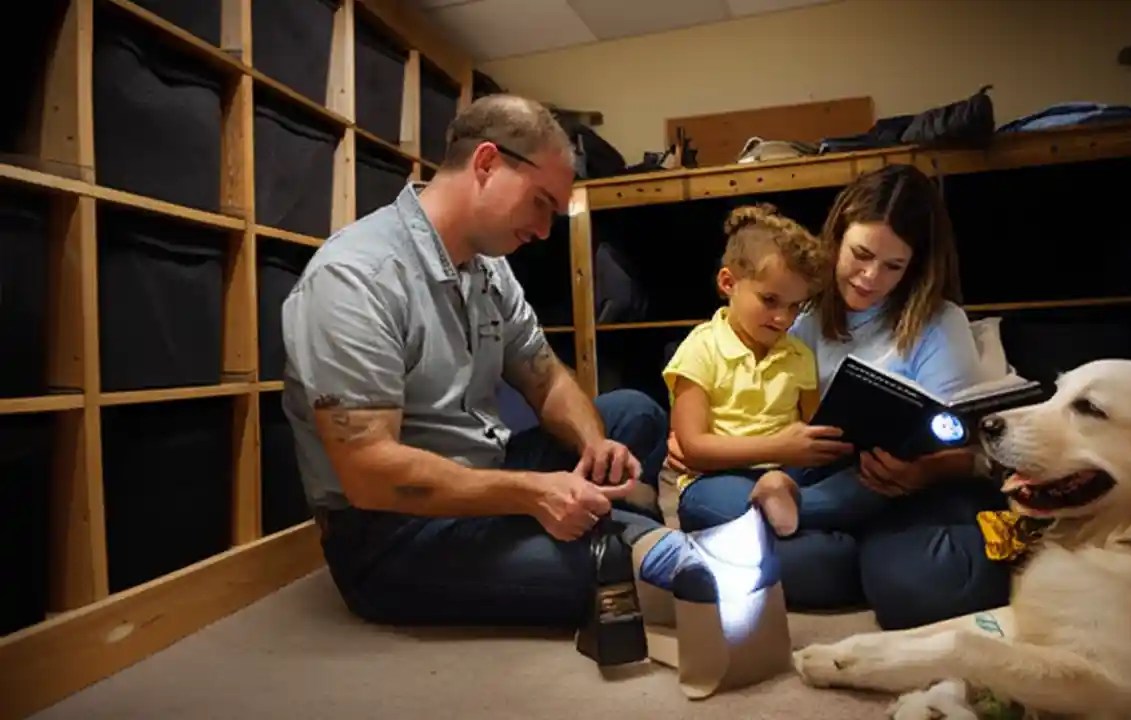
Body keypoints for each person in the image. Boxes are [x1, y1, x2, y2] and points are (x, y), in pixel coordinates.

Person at [279, 93, 712, 628]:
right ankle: (627, 536)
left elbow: (546, 376)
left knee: (631, 413)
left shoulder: (489, 270)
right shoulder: (355, 276)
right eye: (540, 203)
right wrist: (532, 494)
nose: (545, 230)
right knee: (629, 570)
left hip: (486, 472)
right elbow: (370, 474)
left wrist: (592, 443)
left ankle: (614, 524)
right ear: (486, 163)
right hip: (393, 530)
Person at [671, 164, 1011, 631]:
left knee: (915, 589)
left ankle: (812, 533)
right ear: (837, 236)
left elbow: (964, 449)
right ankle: (827, 545)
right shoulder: (802, 312)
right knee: (715, 503)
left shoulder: (938, 322)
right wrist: (715, 443)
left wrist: (917, 473)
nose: (871, 277)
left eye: (894, 266)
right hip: (809, 475)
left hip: (898, 489)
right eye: (861, 254)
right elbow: (764, 406)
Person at [662, 203, 855, 538]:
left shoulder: (799, 354)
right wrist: (776, 448)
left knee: (863, 484)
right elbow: (693, 448)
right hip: (717, 478)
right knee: (705, 503)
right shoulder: (700, 348)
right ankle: (796, 512)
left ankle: (788, 508)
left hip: (790, 473)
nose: (783, 318)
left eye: (795, 306)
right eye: (770, 300)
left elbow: (812, 435)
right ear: (728, 282)